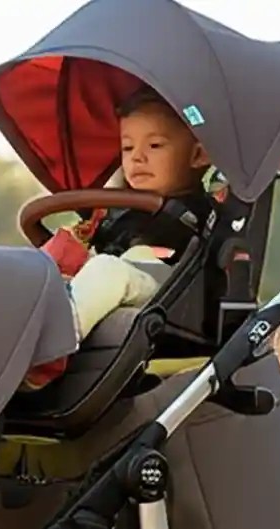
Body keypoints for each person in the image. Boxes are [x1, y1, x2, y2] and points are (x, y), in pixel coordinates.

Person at [24, 85, 213, 389]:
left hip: (171, 289)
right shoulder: (117, 209)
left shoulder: (199, 211)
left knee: (106, 269)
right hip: (123, 276)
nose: (137, 157)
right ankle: (9, 340)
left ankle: (46, 355)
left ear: (198, 155)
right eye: (127, 148)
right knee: (38, 268)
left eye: (154, 146)